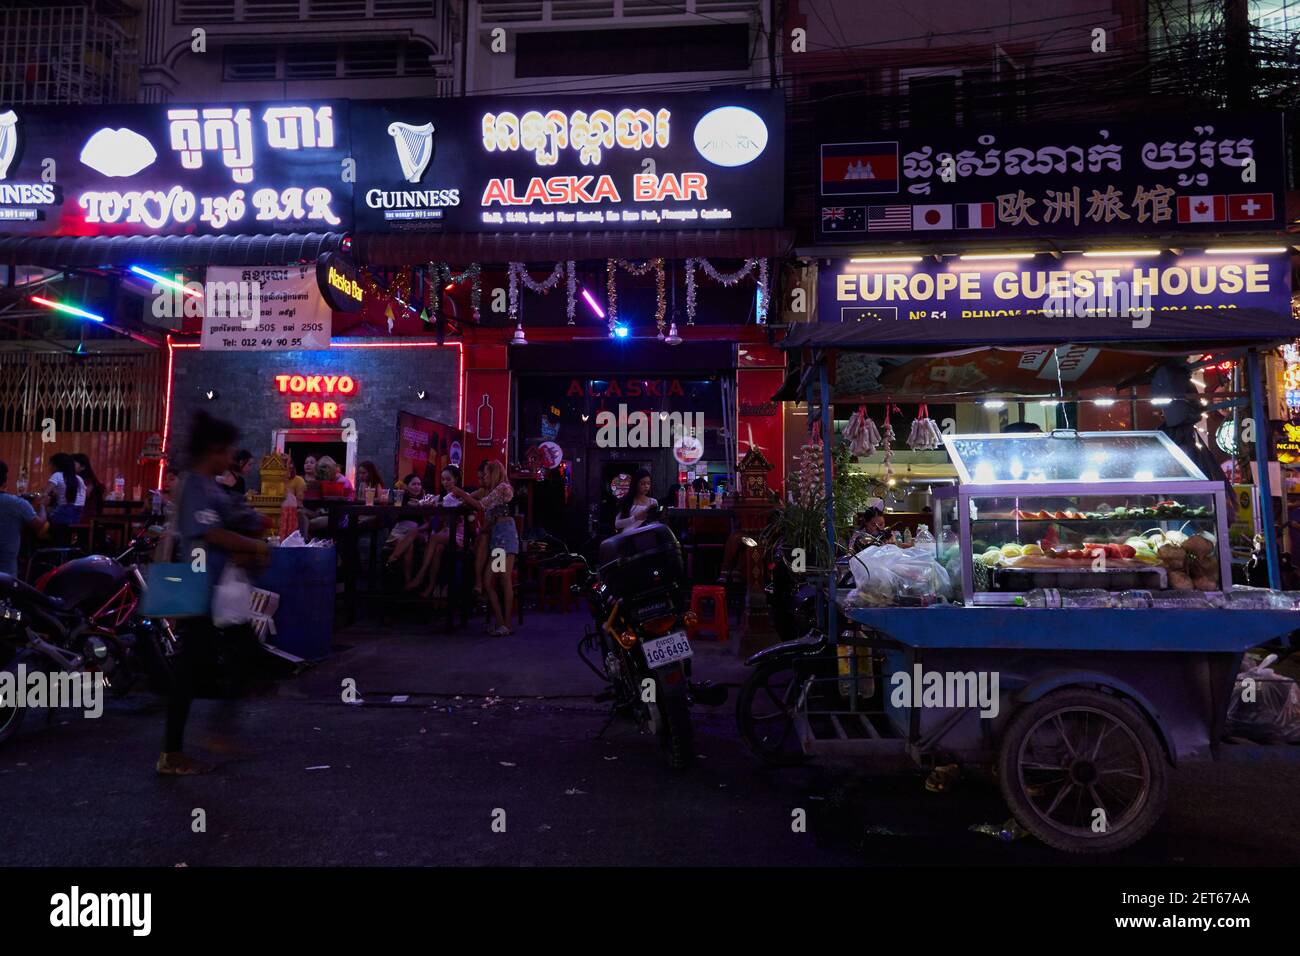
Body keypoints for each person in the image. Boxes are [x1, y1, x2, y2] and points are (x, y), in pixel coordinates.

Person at [158, 411, 269, 776]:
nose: (231, 458)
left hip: (213, 589)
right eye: (227, 451)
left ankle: (211, 733)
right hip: (197, 585)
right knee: (191, 669)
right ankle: (177, 751)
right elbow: (212, 534)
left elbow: (233, 519)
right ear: (214, 450)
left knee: (235, 658)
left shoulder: (208, 485)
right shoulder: (194, 485)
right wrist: (253, 547)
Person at [453, 460, 515, 635]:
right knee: (493, 581)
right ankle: (503, 623)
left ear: (493, 473)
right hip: (499, 538)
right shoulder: (492, 490)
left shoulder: (503, 488)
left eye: (486, 474)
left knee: (502, 579)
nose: (483, 477)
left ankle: (506, 624)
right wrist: (462, 496)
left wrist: (460, 493)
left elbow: (481, 505)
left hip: (504, 537)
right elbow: (473, 500)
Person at [412, 466, 466, 599]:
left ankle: (421, 575)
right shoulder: (440, 497)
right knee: (438, 548)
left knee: (435, 538)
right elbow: (423, 505)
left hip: (459, 534)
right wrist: (423, 505)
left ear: (456, 479)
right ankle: (433, 585)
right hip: (445, 534)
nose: (445, 482)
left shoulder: (462, 496)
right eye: (443, 479)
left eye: (448, 479)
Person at [0, 461, 46, 578]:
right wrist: (42, 505)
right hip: (6, 572)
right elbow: (39, 525)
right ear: (5, 481)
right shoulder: (17, 503)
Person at [45, 452, 86, 544]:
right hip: (77, 516)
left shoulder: (57, 475)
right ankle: (63, 549)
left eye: (50, 465)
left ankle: (49, 551)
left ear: (56, 466)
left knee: (39, 521)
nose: (49, 468)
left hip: (63, 515)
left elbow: (45, 493)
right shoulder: (79, 478)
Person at [614, 468, 657, 532]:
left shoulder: (653, 502)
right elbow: (617, 524)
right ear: (635, 484)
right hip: (627, 537)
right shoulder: (627, 501)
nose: (646, 486)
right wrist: (635, 518)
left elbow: (655, 523)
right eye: (642, 484)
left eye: (648, 483)